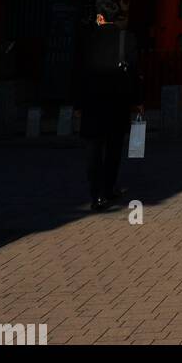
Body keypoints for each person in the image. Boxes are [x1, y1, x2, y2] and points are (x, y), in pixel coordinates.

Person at [73, 11, 143, 212]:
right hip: (117, 100)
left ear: (100, 18)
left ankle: (96, 195)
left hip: (91, 101)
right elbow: (135, 72)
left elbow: (78, 73)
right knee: (114, 147)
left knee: (93, 149)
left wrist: (77, 104)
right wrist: (137, 101)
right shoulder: (126, 39)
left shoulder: (87, 39)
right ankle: (109, 187)